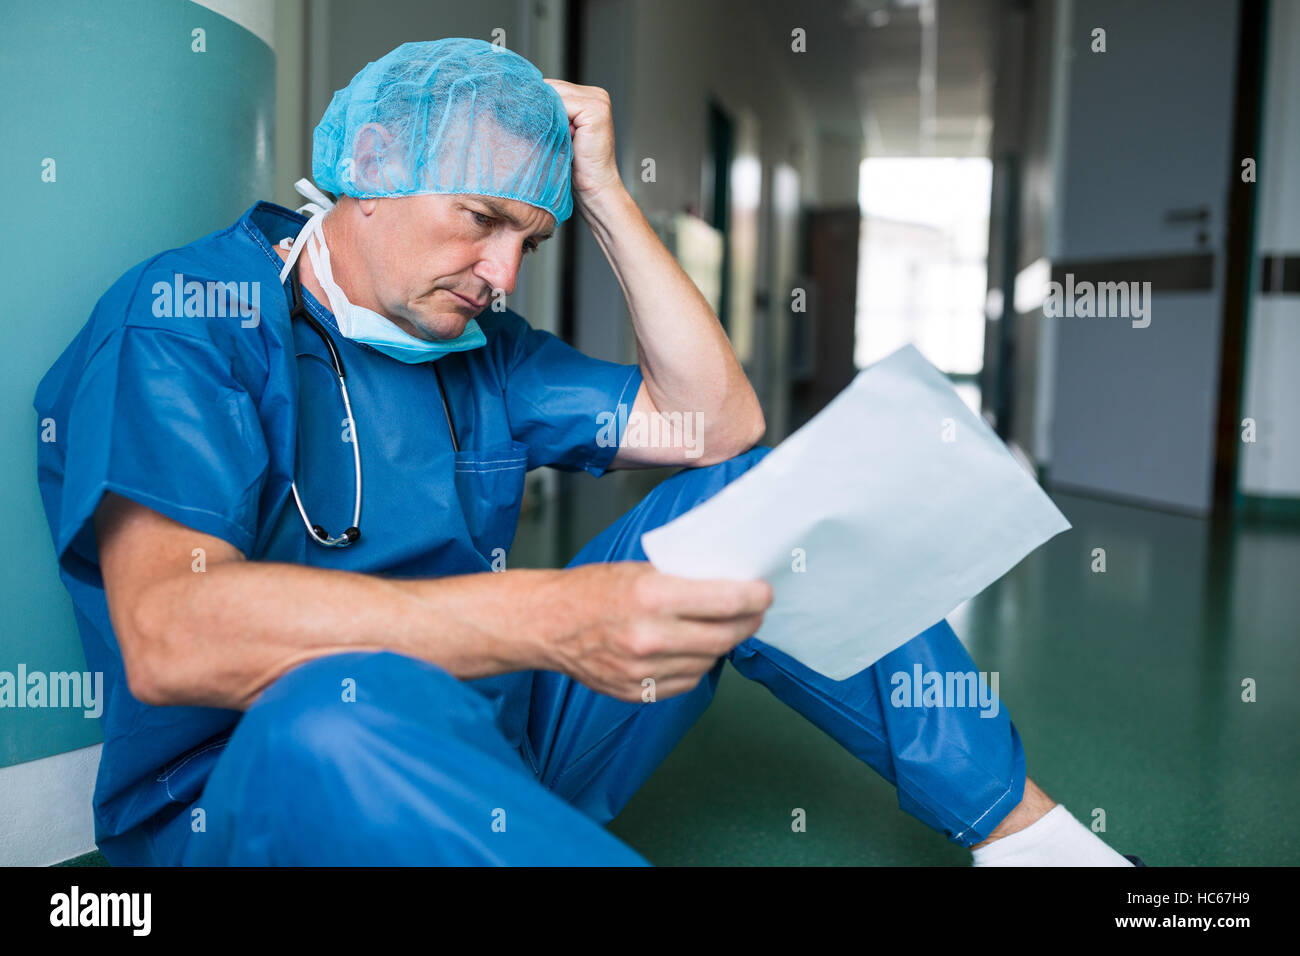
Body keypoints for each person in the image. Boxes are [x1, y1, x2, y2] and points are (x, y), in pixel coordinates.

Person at [34, 38, 1135, 866]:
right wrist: (553, 616)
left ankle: (1034, 843)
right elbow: (170, 633)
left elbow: (718, 427)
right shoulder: (191, 319)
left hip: (496, 735)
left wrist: (604, 193)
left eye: (532, 235)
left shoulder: (481, 346)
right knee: (337, 709)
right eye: (478, 218)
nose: (502, 275)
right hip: (263, 788)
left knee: (747, 500)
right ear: (366, 163)